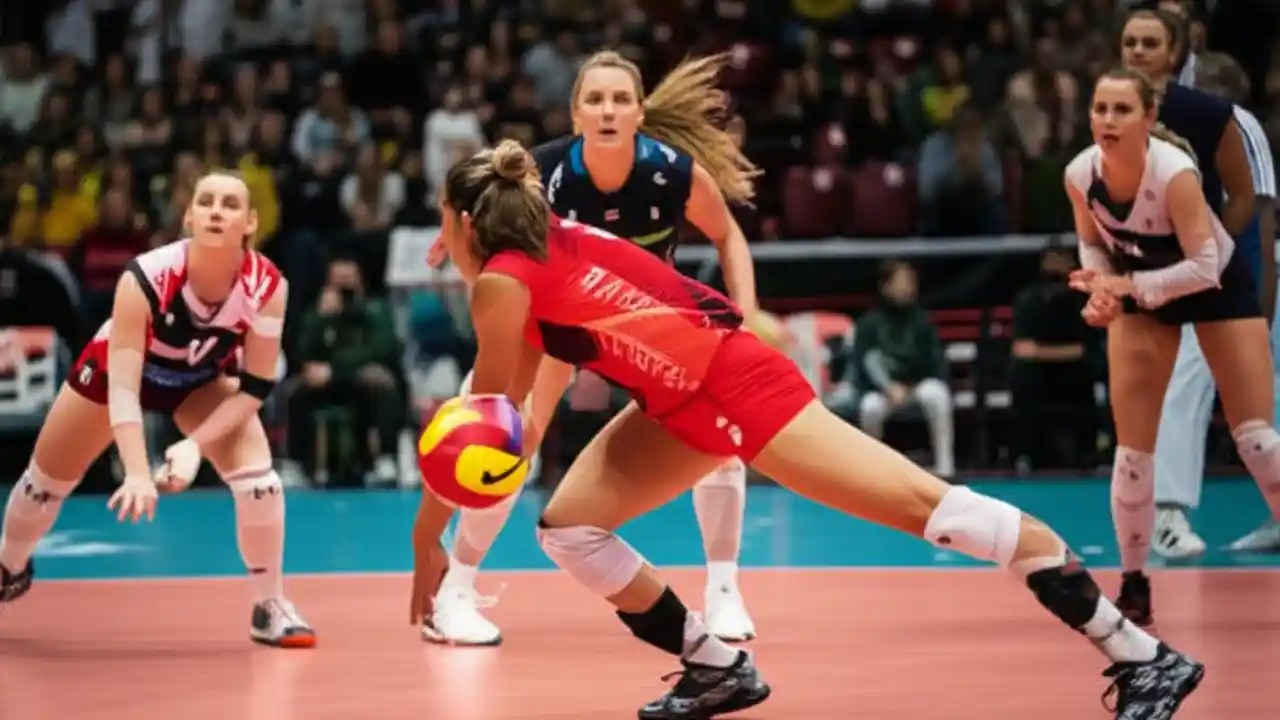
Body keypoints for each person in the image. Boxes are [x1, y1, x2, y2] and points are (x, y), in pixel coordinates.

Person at [411, 139, 1205, 720]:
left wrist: (426, 547)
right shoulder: (550, 245)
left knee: (936, 510)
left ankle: (1144, 657)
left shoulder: (504, 286)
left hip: (737, 388)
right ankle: (715, 667)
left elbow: (482, 437)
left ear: (461, 223)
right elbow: (505, 427)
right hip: (682, 401)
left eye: (443, 223)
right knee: (572, 528)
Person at [422, 51, 776, 646]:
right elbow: (486, 218)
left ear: (639, 113)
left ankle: (723, 588)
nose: (607, 110)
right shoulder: (542, 174)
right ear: (575, 114)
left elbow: (727, 234)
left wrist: (747, 314)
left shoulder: (673, 172)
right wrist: (452, 236)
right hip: (560, 324)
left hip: (645, 330)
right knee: (506, 436)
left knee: (721, 440)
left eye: (619, 100)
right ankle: (455, 592)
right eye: (594, 100)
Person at [0, 172, 315, 649]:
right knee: (42, 487)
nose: (215, 210)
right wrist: (137, 472)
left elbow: (254, 386)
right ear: (187, 216)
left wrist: (193, 446)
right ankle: (9, 565)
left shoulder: (267, 286)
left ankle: (269, 605)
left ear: (250, 221)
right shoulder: (146, 277)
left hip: (198, 382)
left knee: (260, 483)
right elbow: (125, 388)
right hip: (117, 375)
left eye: (229, 204)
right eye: (205, 201)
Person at [1064, 67, 1280, 630]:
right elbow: (1092, 247)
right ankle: (1134, 582)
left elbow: (1206, 266)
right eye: (1100, 109)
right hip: (1142, 291)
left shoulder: (1176, 174)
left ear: (1150, 120)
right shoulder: (1080, 174)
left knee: (1256, 439)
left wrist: (1128, 288)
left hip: (1211, 285)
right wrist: (1100, 291)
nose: (1107, 121)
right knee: (1133, 453)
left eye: (1121, 110)